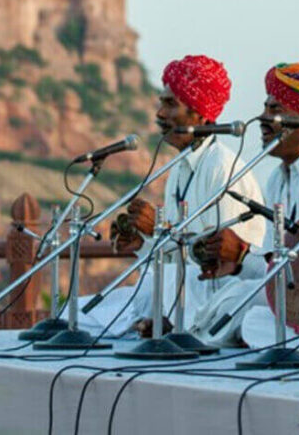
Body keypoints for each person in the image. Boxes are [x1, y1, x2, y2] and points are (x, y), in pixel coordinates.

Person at [83, 54, 268, 344]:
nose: (159, 114)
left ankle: (176, 325)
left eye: (170, 104)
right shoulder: (180, 168)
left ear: (200, 114)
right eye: (161, 103)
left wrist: (162, 231)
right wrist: (143, 244)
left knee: (147, 297)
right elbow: (173, 256)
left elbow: (222, 264)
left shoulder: (222, 168)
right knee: (84, 313)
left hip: (214, 297)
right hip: (180, 291)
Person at [224, 63, 299, 348]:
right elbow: (274, 264)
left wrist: (242, 257)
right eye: (265, 108)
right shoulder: (277, 179)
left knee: (239, 302)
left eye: (275, 110)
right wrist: (236, 261)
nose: (263, 119)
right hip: (290, 296)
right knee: (240, 306)